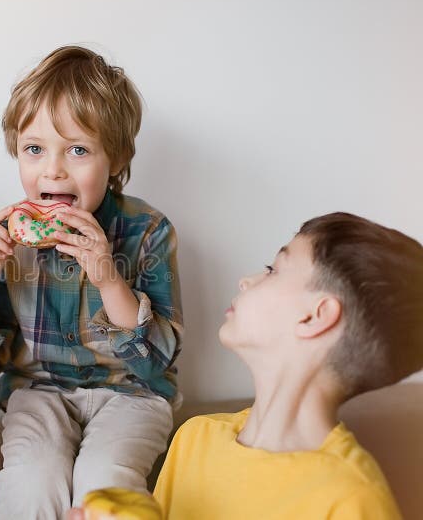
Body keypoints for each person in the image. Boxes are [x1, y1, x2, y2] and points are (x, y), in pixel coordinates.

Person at [0, 45, 183, 518]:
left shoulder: (148, 230)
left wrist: (107, 275)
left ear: (115, 160)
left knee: (102, 487)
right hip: (39, 394)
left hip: (132, 394)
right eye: (35, 149)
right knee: (31, 485)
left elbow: (157, 362)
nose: (52, 169)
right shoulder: (5, 238)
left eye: (77, 149)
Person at [147, 212, 419, 518]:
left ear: (314, 316)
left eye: (272, 270)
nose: (246, 280)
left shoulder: (353, 498)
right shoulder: (194, 439)